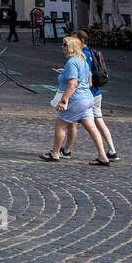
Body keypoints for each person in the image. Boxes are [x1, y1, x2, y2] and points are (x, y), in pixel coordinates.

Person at [40, 35, 109, 166]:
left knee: (61, 125)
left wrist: (64, 100)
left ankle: (55, 153)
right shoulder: (82, 59)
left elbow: (72, 84)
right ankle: (103, 156)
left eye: (64, 45)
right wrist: (65, 72)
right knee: (92, 128)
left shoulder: (72, 62)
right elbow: (88, 81)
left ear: (71, 47)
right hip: (88, 98)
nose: (62, 47)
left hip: (76, 99)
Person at [62, 31, 118, 161]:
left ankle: (66, 151)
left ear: (81, 40)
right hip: (95, 93)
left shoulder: (83, 55)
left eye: (73, 39)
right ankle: (112, 151)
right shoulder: (91, 52)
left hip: (86, 95)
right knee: (96, 122)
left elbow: (87, 77)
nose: (70, 42)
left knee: (74, 122)